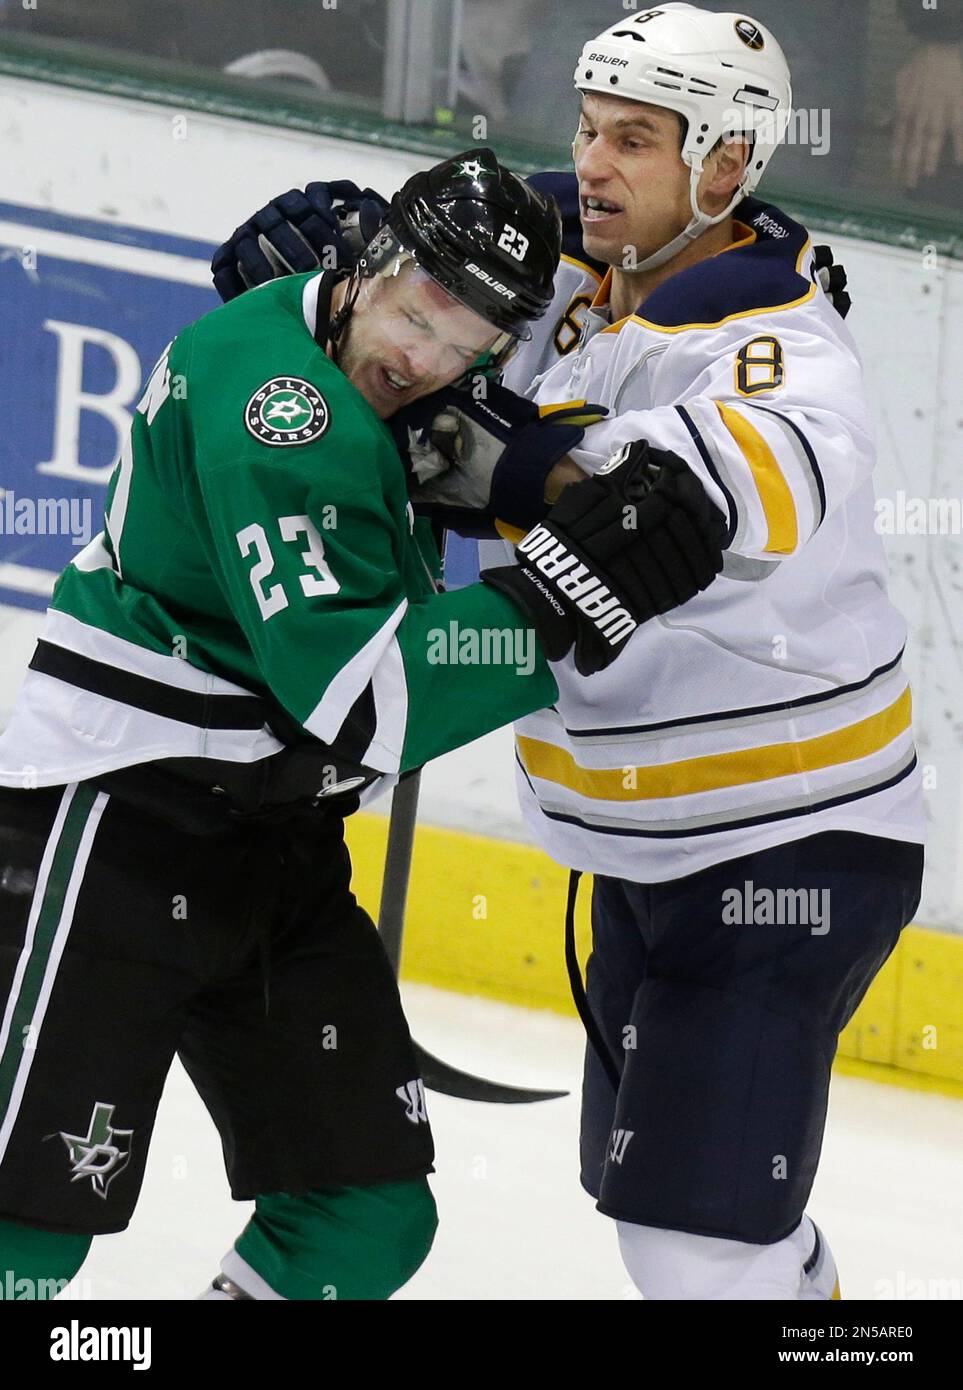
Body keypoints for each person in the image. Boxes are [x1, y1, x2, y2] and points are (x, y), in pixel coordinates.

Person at [212, 4, 925, 1301]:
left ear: (722, 166)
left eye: (634, 141)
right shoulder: (577, 263)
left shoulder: (775, 338)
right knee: (674, 1219)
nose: (591, 162)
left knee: (691, 1247)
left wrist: (516, 459)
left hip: (784, 845)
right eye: (588, 128)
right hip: (635, 852)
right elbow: (433, 282)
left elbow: (697, 509)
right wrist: (345, 260)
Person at [0, 146, 728, 1302]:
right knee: (23, 1234)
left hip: (275, 847)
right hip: (122, 819)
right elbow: (359, 702)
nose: (425, 360)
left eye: (472, 340)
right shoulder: (272, 404)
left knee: (364, 1215)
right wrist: (563, 594)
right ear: (373, 257)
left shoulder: (384, 358)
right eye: (424, 308)